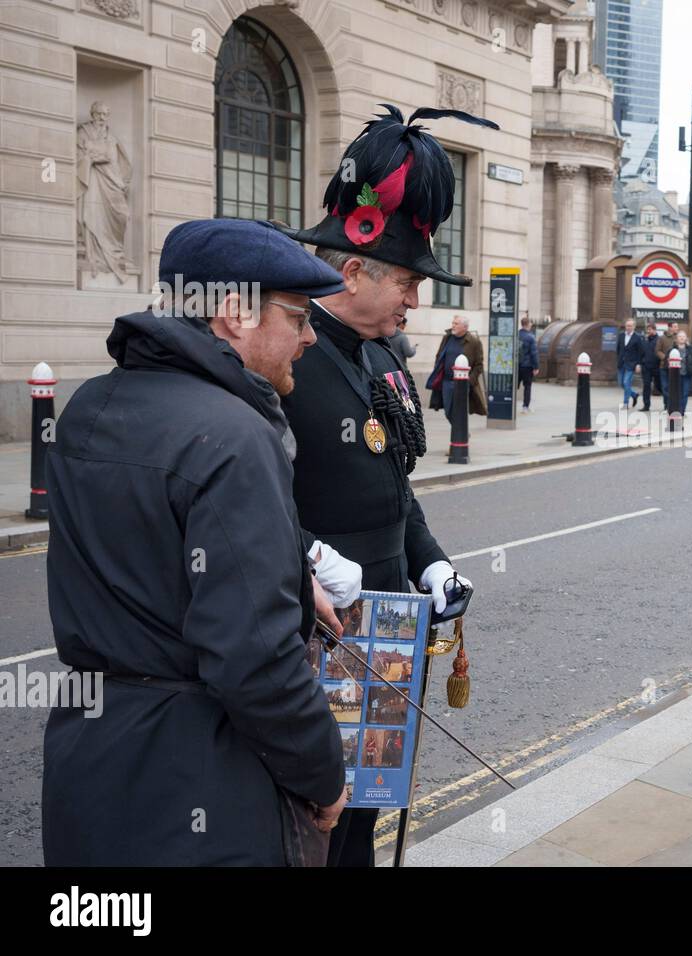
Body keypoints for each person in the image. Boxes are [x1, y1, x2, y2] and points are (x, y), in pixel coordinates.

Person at [43, 218, 350, 866]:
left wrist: (290, 575)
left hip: (88, 772)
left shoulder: (86, 409)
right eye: (297, 316)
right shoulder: (237, 437)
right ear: (235, 313)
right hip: (201, 788)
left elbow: (151, 548)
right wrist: (325, 776)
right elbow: (254, 662)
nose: (310, 337)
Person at [276, 103, 480, 866]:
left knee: (368, 819)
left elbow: (397, 486)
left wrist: (429, 559)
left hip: (392, 627)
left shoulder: (385, 357)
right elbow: (239, 497)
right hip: (320, 634)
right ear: (353, 268)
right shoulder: (286, 358)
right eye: (405, 282)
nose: (414, 301)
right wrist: (306, 554)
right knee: (316, 827)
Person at [429, 314, 487, 423]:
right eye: (453, 323)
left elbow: (479, 365)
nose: (453, 326)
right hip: (446, 381)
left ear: (465, 327)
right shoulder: (447, 338)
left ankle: (461, 433)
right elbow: (439, 356)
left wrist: (470, 380)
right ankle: (460, 431)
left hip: (463, 383)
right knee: (448, 410)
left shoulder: (474, 342)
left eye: (456, 324)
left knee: (460, 410)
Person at [615, 317, 645, 408]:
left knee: (626, 382)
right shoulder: (621, 336)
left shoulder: (637, 338)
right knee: (621, 384)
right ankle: (634, 394)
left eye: (631, 326)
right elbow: (618, 349)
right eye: (627, 326)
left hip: (631, 364)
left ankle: (625, 403)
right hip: (621, 363)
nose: (629, 327)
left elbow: (640, 352)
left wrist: (638, 364)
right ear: (625, 326)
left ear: (634, 327)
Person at [668, 329, 692, 412]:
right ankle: (676, 409)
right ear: (677, 338)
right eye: (680, 336)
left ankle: (682, 411)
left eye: (683, 336)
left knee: (685, 394)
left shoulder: (690, 349)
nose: (682, 338)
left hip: (687, 375)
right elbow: (666, 360)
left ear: (686, 338)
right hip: (676, 376)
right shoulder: (672, 349)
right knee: (677, 393)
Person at [656, 319, 680, 407]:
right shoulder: (662, 338)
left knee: (674, 387)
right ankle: (667, 403)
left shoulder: (679, 337)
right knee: (665, 386)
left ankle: (671, 404)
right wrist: (666, 358)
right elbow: (658, 351)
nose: (677, 328)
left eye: (677, 326)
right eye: (675, 327)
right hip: (664, 366)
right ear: (670, 328)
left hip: (676, 366)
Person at [517, 316, 539, 413]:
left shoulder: (516, 335)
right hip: (527, 365)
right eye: (530, 323)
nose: (531, 325)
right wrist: (536, 367)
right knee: (527, 386)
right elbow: (534, 353)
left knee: (513, 386)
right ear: (528, 324)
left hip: (517, 365)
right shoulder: (531, 337)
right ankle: (525, 407)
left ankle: (510, 405)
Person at [641, 322, 661, 410]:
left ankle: (667, 403)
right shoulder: (645, 340)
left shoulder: (659, 340)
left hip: (657, 367)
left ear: (654, 330)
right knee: (646, 386)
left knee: (660, 386)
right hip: (646, 367)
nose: (648, 331)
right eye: (647, 329)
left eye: (650, 329)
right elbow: (641, 352)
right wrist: (641, 362)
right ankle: (646, 405)